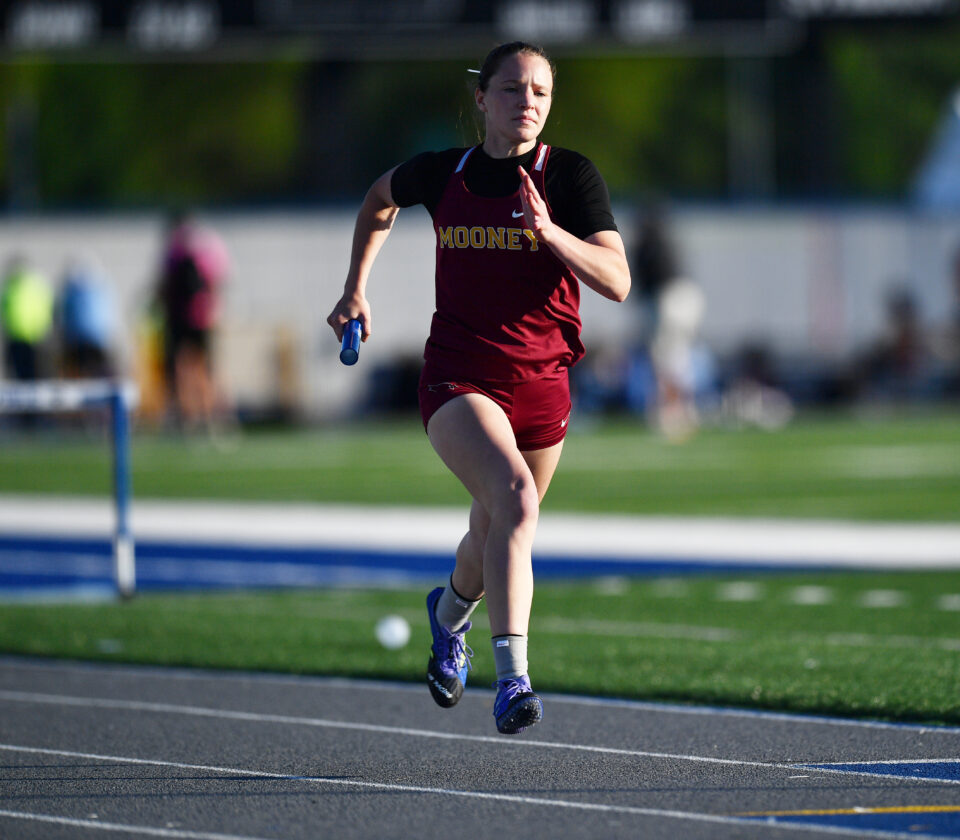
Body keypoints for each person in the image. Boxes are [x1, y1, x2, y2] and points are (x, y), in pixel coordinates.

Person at [327, 41, 630, 735]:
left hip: (543, 387)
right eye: (514, 89)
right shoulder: (445, 173)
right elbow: (380, 197)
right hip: (459, 378)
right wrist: (355, 290)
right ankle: (513, 679)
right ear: (482, 98)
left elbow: (617, 281)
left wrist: (550, 234)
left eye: (542, 93)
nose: (529, 104)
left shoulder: (570, 177)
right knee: (517, 503)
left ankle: (448, 616)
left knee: (493, 529)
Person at [154, 212, 230, 434]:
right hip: (204, 316)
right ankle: (212, 416)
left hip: (178, 315)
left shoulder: (174, 249)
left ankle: (186, 418)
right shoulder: (210, 245)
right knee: (206, 368)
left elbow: (164, 284)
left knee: (180, 368)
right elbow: (219, 280)